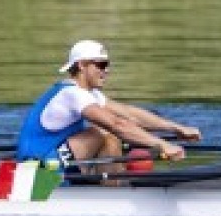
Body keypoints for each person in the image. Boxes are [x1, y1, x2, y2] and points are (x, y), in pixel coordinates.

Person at [16, 40, 199, 182]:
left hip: (54, 163)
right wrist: (161, 145)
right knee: (107, 131)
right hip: (35, 173)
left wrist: (176, 128)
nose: (107, 71)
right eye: (101, 65)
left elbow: (129, 114)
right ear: (81, 65)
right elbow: (117, 125)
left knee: (113, 133)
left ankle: (111, 188)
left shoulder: (89, 94)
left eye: (107, 65)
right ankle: (113, 195)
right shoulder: (71, 94)